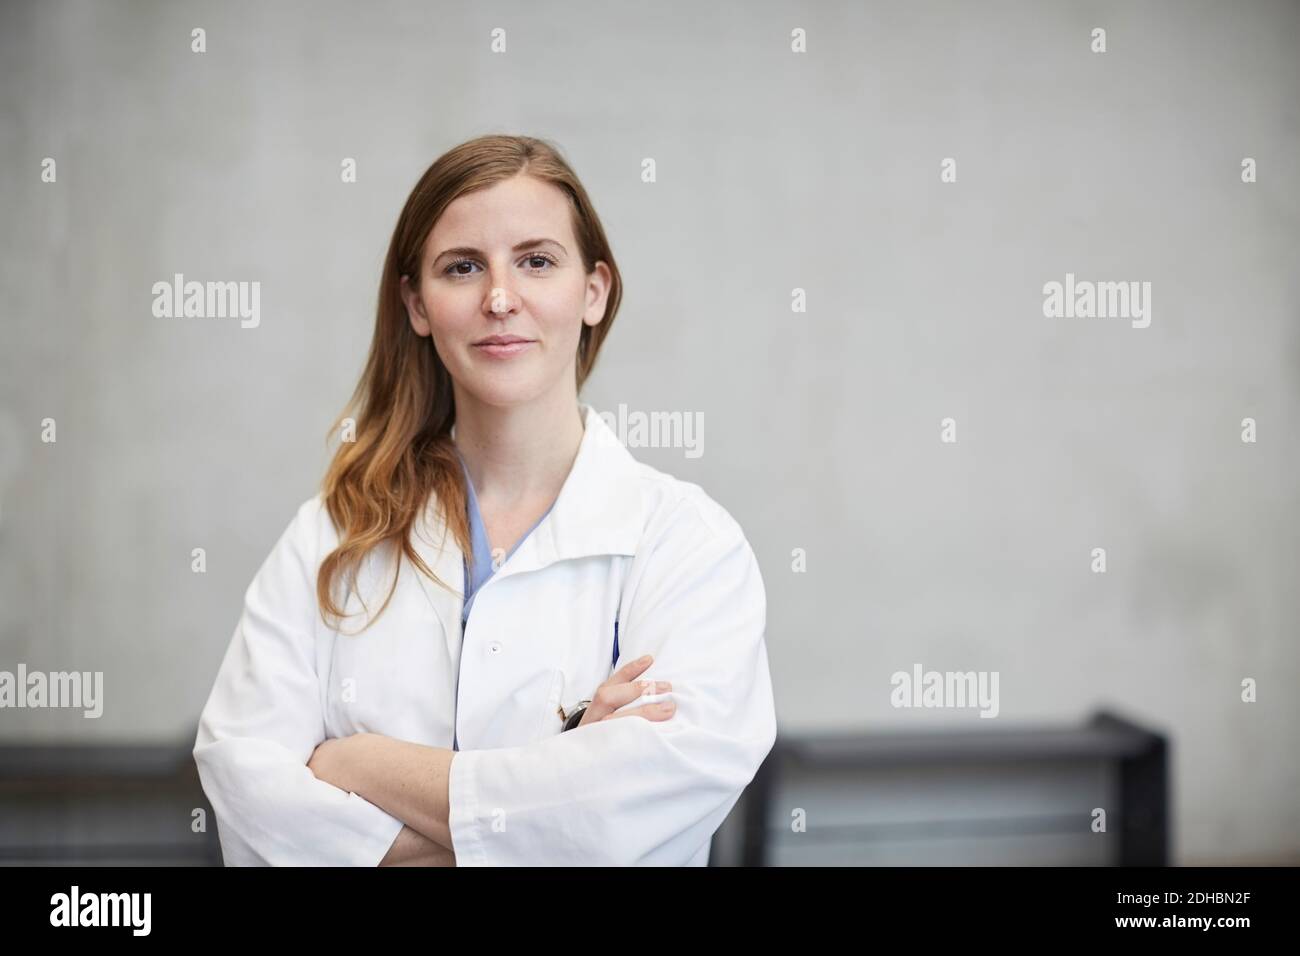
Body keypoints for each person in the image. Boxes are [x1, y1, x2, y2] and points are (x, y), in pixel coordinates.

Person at [192, 134, 777, 866]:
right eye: (463, 268)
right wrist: (555, 789)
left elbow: (635, 814)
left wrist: (360, 764)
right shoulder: (334, 534)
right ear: (417, 304)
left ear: (593, 291)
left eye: (536, 261)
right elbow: (246, 787)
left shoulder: (687, 543)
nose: (500, 298)